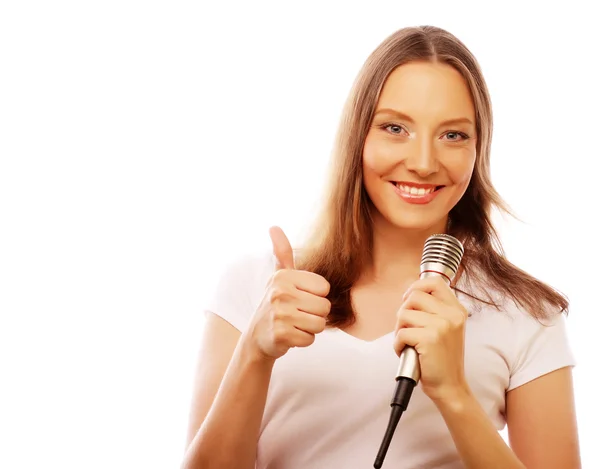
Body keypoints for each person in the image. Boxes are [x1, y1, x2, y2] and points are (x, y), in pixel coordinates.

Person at [181, 25, 581, 469]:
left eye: (453, 135)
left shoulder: (527, 315)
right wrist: (254, 356)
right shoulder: (257, 286)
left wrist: (454, 393)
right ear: (358, 137)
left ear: (479, 150)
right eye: (395, 128)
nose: (424, 163)